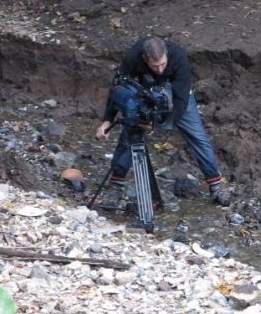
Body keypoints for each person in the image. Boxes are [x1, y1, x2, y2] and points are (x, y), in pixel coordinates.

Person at [95, 37, 233, 208]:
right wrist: (107, 120)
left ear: (167, 55)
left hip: (176, 94)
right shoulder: (133, 57)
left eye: (163, 64)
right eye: (154, 66)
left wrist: (160, 124)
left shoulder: (179, 58)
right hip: (144, 92)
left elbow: (181, 100)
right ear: (145, 59)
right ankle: (115, 186)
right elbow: (118, 89)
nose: (160, 69)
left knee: (197, 136)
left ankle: (216, 185)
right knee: (129, 136)